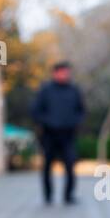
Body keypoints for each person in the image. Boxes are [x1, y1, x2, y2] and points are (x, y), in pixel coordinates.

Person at [30, 61, 86, 204]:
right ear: (55, 73)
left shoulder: (74, 90)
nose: (64, 75)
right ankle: (48, 196)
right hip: (49, 135)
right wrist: (48, 122)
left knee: (70, 165)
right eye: (62, 72)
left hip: (67, 135)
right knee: (47, 166)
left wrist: (74, 122)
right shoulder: (45, 90)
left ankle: (68, 196)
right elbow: (35, 111)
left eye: (66, 72)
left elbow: (81, 111)